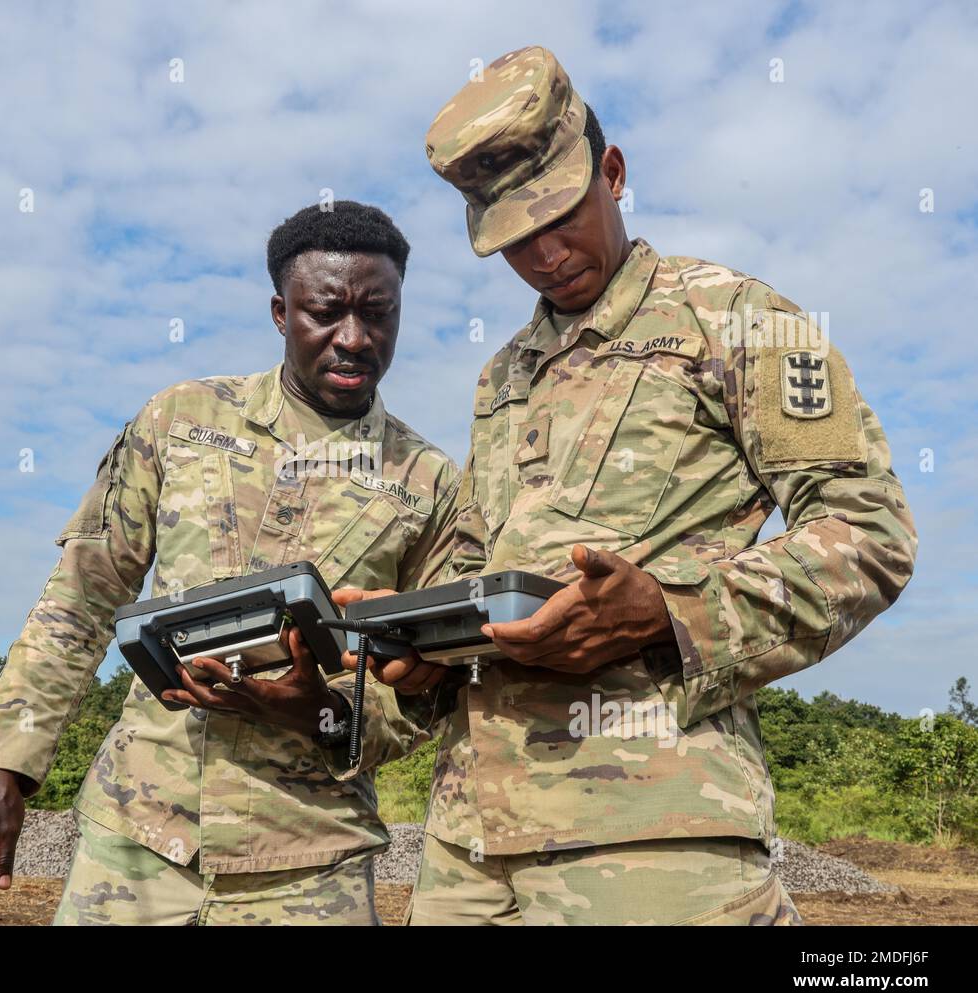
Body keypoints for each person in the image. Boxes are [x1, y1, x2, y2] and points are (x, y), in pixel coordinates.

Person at [361, 45, 917, 925]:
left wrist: (668, 610)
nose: (545, 255)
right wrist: (411, 632)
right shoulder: (501, 376)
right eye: (512, 240)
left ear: (611, 173)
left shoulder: (738, 320)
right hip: (466, 848)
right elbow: (482, 571)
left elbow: (871, 536)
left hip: (654, 837)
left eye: (560, 215)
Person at [0, 200, 459, 925]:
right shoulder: (181, 420)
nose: (354, 338)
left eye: (379, 314)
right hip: (135, 841)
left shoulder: (430, 482)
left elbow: (432, 684)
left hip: (311, 859)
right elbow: (79, 603)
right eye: (326, 312)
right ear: (281, 312)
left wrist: (322, 710)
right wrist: (5, 765)